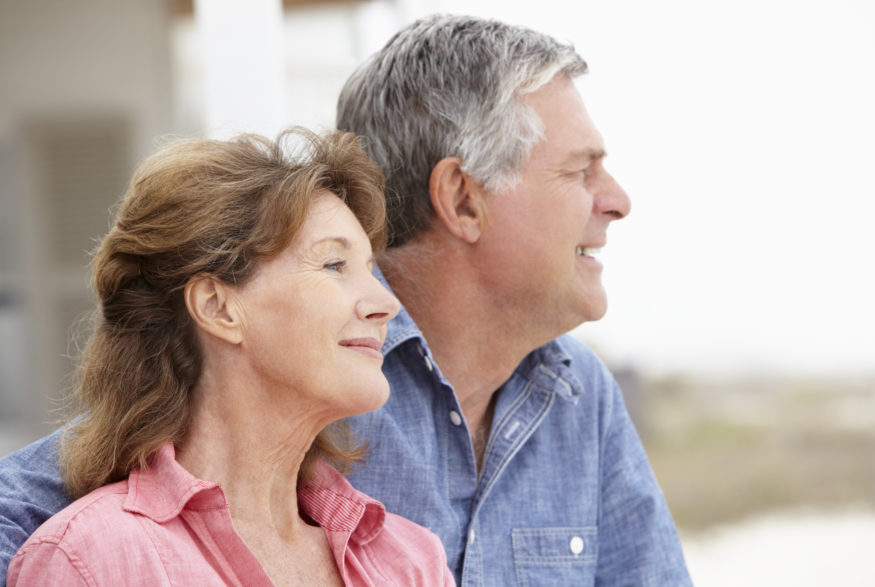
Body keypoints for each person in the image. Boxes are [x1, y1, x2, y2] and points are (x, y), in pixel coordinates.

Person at [0, 14, 691, 586]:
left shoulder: (578, 398)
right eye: (578, 170)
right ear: (461, 199)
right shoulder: (306, 367)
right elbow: (63, 506)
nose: (616, 201)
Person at [4, 127, 454, 585]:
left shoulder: (413, 561)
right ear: (218, 308)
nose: (386, 305)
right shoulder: (90, 560)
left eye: (370, 270)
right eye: (334, 265)